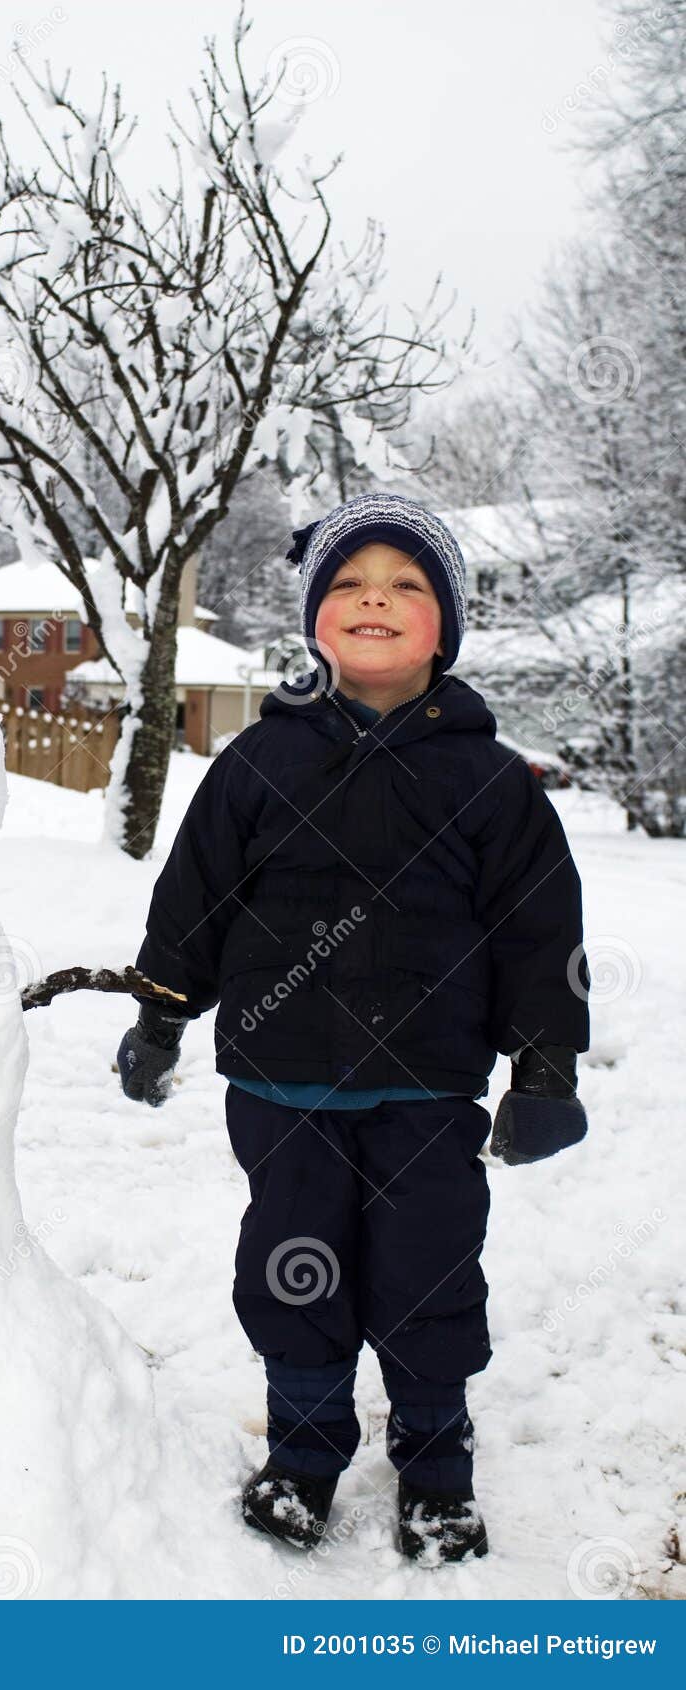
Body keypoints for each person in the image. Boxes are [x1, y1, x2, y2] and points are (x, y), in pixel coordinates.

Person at [116, 492, 591, 1563]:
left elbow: (537, 930)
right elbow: (193, 901)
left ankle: (435, 1464)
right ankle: (303, 1453)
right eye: (348, 582)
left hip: (427, 1091)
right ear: (313, 617)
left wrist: (547, 1067)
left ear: (444, 625)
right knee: (294, 1270)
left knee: (427, 1274)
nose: (373, 597)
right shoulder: (257, 762)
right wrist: (159, 1013)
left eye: (404, 583)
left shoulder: (490, 781)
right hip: (282, 1088)